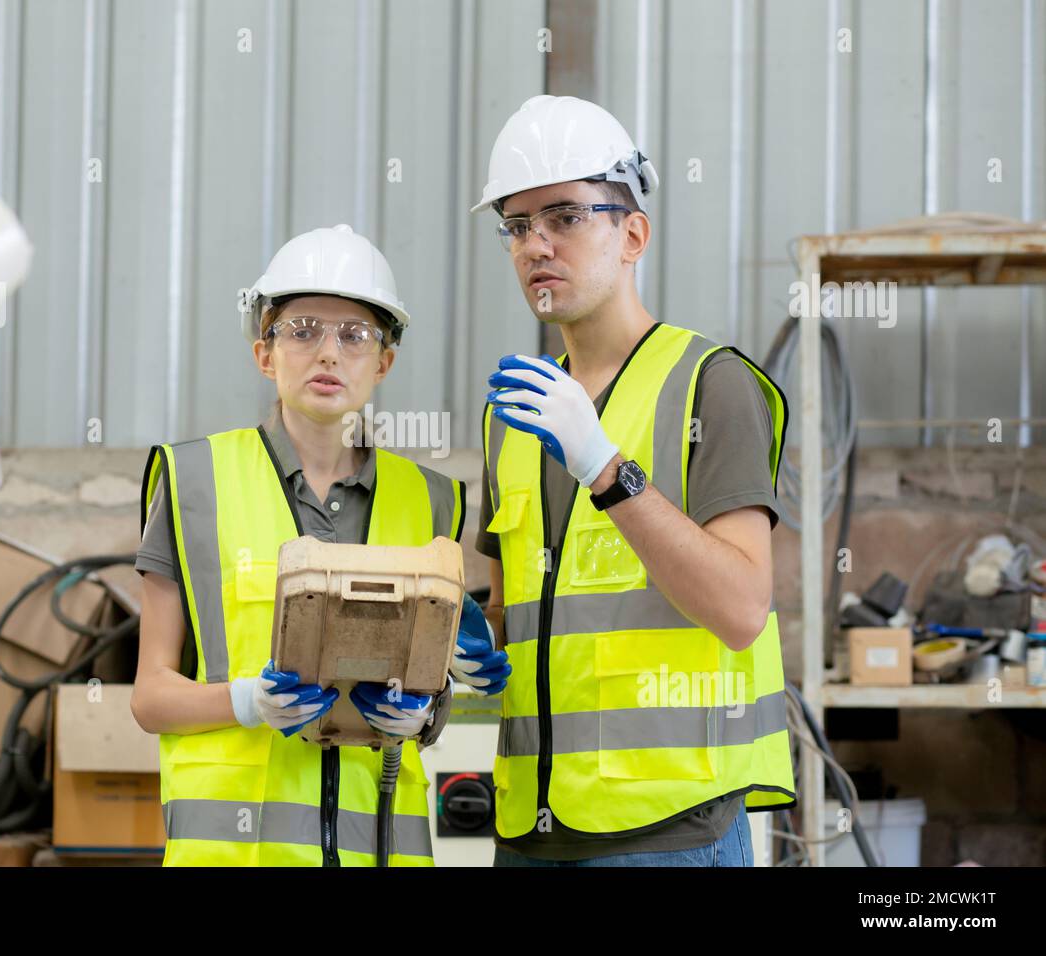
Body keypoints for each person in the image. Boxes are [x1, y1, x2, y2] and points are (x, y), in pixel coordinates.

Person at [473, 96, 795, 867]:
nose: (535, 244)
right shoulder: (512, 415)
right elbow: (513, 611)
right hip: (532, 827)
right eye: (517, 226)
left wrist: (605, 469)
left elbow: (742, 609)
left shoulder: (710, 385)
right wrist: (461, 651)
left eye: (565, 216)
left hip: (669, 830)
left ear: (633, 234)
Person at [131, 224, 510, 866]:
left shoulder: (432, 501)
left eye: (355, 336)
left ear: (383, 363)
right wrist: (247, 702)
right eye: (303, 330)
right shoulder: (195, 481)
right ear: (265, 354)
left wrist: (425, 713)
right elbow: (150, 697)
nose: (329, 354)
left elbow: (432, 696)